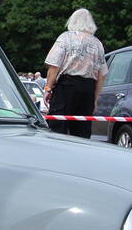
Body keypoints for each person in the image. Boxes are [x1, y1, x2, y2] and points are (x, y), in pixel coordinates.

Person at [42, 8, 108, 137]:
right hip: (88, 89)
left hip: (67, 86)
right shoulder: (97, 43)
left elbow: (54, 65)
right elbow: (102, 75)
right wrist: (94, 99)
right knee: (82, 130)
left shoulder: (65, 37)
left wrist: (48, 88)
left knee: (57, 126)